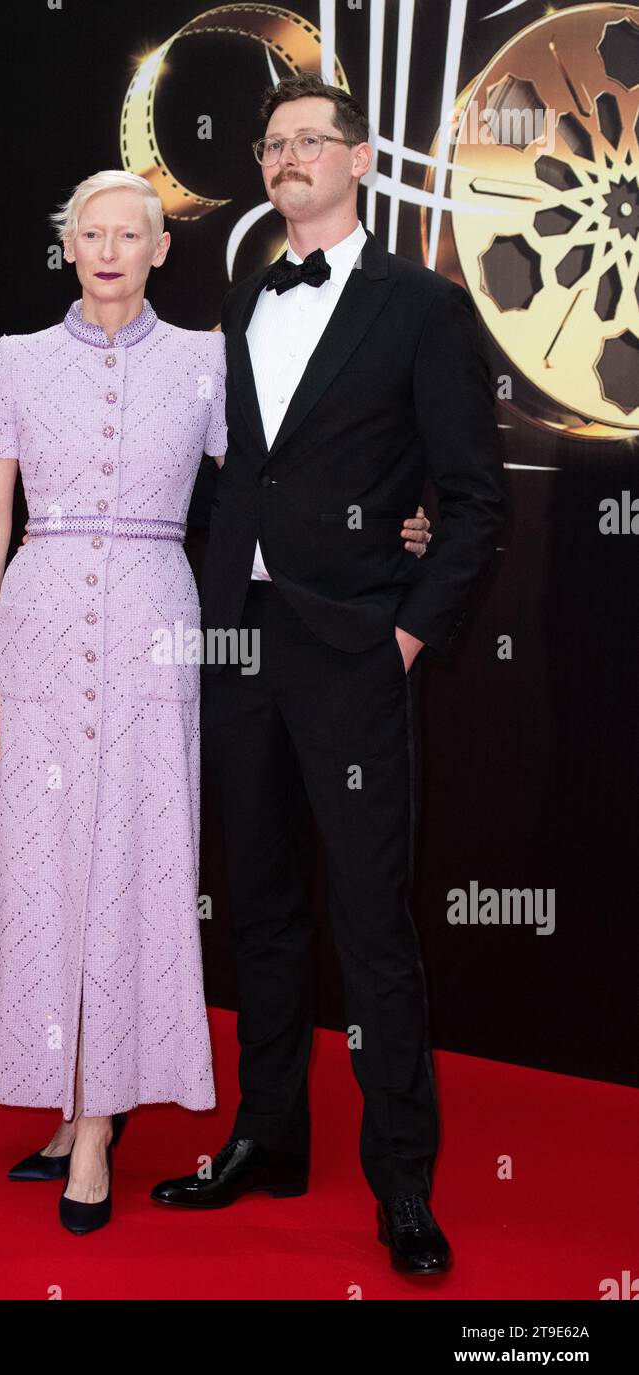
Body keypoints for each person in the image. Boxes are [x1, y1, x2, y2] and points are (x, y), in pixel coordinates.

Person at [0, 167, 433, 1236]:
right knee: (39, 862)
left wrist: (386, 520)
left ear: (161, 249)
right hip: (35, 625)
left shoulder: (206, 363)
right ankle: (65, 1092)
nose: (111, 250)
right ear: (67, 245)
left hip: (158, 630)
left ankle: (97, 1127)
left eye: (132, 234)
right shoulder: (16, 362)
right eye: (91, 233)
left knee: (133, 857)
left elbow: (276, 483)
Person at [150, 74, 508, 1276]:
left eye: (310, 141)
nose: (286, 156)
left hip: (352, 646)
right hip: (235, 638)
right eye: (271, 144)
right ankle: (265, 1138)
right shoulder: (245, 292)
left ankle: (401, 1186)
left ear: (358, 161)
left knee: (370, 925)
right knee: (257, 908)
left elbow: (470, 500)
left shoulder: (420, 305)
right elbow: (237, 473)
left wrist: (406, 631)